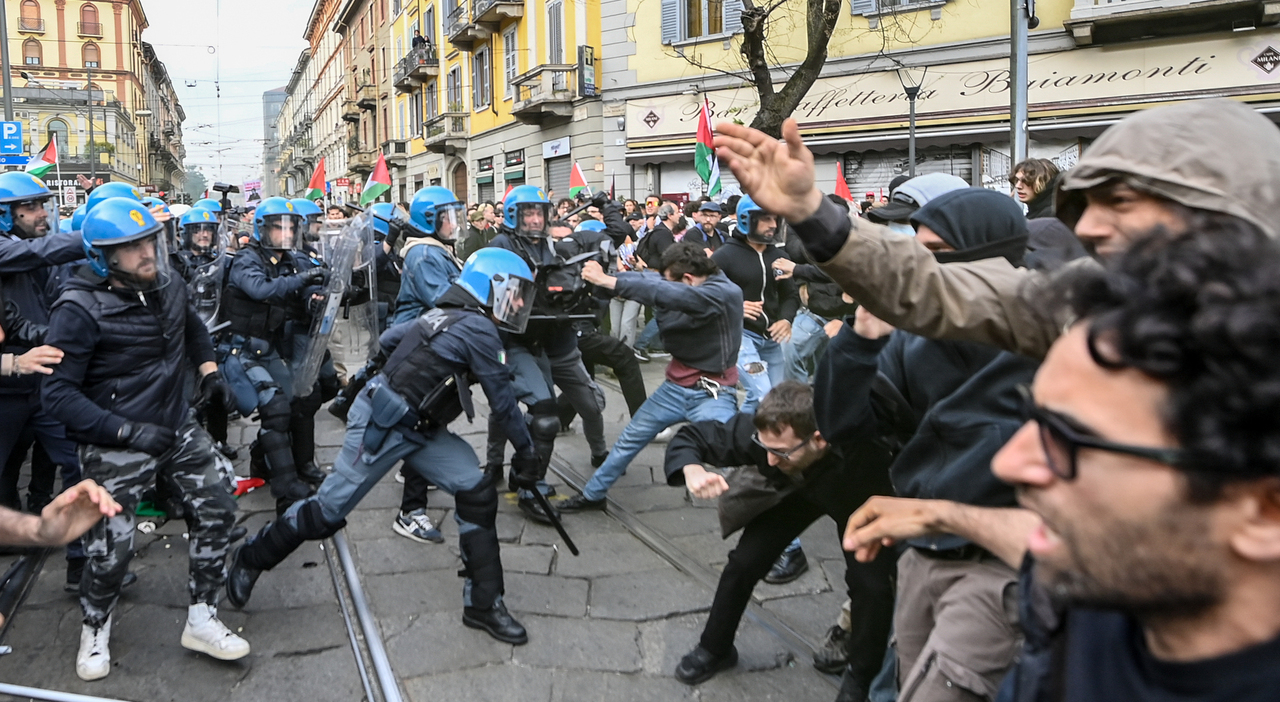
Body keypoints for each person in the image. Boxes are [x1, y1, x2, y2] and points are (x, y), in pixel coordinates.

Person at [849, 221, 1280, 701]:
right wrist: (941, 514)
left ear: (1266, 508)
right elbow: (1039, 551)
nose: (1010, 462)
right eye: (1033, 417)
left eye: (1074, 438)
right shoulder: (1107, 588)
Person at [712, 99, 1280, 361]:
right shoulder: (1084, 298)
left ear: (1220, 216)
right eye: (1088, 203)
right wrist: (812, 208)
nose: (1094, 226)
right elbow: (929, 289)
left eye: (1124, 203)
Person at [227, 248, 541, 645]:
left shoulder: (444, 313)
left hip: (417, 426)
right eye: (513, 292)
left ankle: (483, 603)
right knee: (327, 511)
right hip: (382, 425)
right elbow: (503, 402)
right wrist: (527, 454)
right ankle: (251, 558)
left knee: (475, 492)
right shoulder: (478, 329)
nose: (516, 303)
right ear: (489, 289)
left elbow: (392, 339)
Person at [819, 188, 1036, 702]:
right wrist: (860, 339)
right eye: (917, 252)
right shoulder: (911, 337)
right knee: (904, 676)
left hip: (1002, 559)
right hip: (921, 548)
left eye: (937, 254)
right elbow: (844, 424)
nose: (924, 269)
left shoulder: (1046, 331)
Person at [42, 197, 249, 681]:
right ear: (102, 258)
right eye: (131, 248)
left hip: (175, 424)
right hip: (114, 438)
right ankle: (95, 625)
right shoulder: (76, 308)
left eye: (149, 241)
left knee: (219, 504)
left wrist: (210, 373)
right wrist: (127, 431)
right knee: (110, 550)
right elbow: (57, 395)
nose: (147, 254)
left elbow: (193, 328)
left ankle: (202, 616)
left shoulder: (169, 282)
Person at [665, 382, 897, 692]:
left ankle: (860, 680)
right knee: (743, 564)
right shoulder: (767, 434)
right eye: (765, 449)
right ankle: (715, 647)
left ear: (818, 439)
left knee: (871, 588)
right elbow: (692, 436)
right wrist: (692, 468)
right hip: (797, 492)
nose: (770, 460)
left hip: (857, 501)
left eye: (779, 452)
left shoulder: (863, 446)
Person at [559, 242, 742, 512]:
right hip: (675, 388)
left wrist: (608, 281)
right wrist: (601, 278)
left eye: (673, 282)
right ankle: (593, 494)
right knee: (628, 440)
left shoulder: (724, 293)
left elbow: (662, 290)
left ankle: (788, 548)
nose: (666, 284)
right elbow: (651, 280)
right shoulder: (687, 282)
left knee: (736, 464)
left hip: (712, 392)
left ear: (688, 279)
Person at [484, 185, 607, 523]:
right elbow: (499, 303)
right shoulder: (502, 246)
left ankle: (587, 457)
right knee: (525, 410)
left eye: (540, 213)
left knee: (588, 404)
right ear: (513, 216)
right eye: (529, 214)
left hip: (559, 341)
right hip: (516, 343)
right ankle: (519, 478)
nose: (536, 220)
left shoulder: (558, 246)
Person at [219, 197, 326, 512]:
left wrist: (313, 299)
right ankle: (285, 487)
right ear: (262, 229)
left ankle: (262, 462)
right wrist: (303, 279)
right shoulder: (246, 259)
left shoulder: (289, 259)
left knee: (296, 402)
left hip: (266, 348)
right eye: (278, 226)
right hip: (239, 348)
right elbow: (261, 289)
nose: (285, 232)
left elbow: (295, 296)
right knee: (275, 406)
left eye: (290, 226)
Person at [390, 187, 470, 543]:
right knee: (425, 422)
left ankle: (410, 468)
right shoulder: (424, 254)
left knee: (429, 421)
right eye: (447, 218)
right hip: (420, 350)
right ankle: (411, 512)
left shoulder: (439, 250)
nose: (454, 224)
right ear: (429, 221)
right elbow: (445, 299)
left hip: (432, 345)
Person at [552, 219, 648, 429]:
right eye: (557, 240)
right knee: (624, 357)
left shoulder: (593, 267)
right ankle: (643, 423)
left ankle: (557, 421)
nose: (562, 246)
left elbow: (618, 285)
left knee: (583, 380)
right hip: (573, 334)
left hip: (578, 334)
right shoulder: (562, 271)